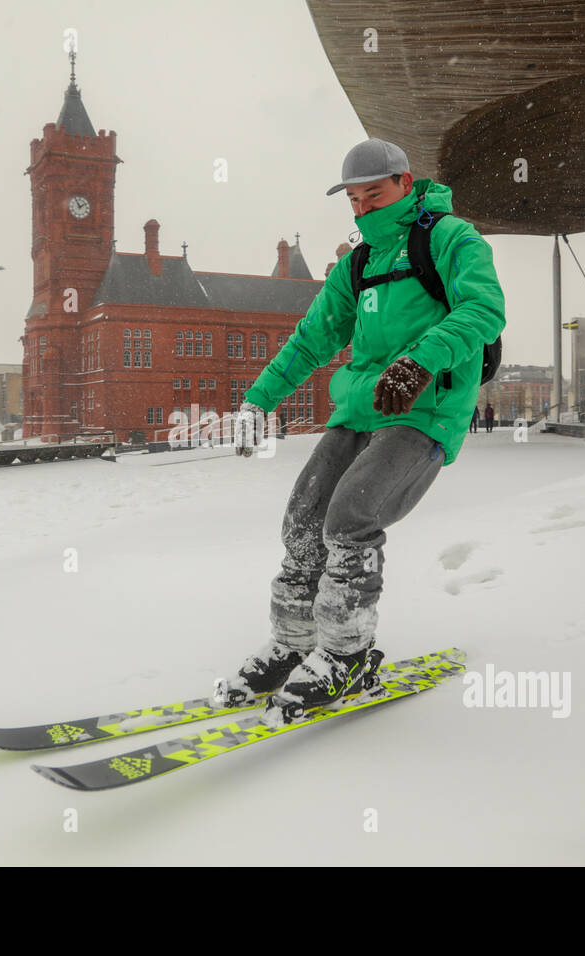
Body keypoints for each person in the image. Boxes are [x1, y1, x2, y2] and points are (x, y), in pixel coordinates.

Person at [223, 138, 505, 723]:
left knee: (349, 517)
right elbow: (312, 338)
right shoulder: (359, 263)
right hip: (360, 407)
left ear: (405, 183)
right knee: (303, 518)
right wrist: (258, 400)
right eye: (352, 199)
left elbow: (483, 310)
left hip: (424, 409)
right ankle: (293, 644)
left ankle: (347, 655)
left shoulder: (452, 239)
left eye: (372, 194)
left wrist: (419, 361)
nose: (361, 208)